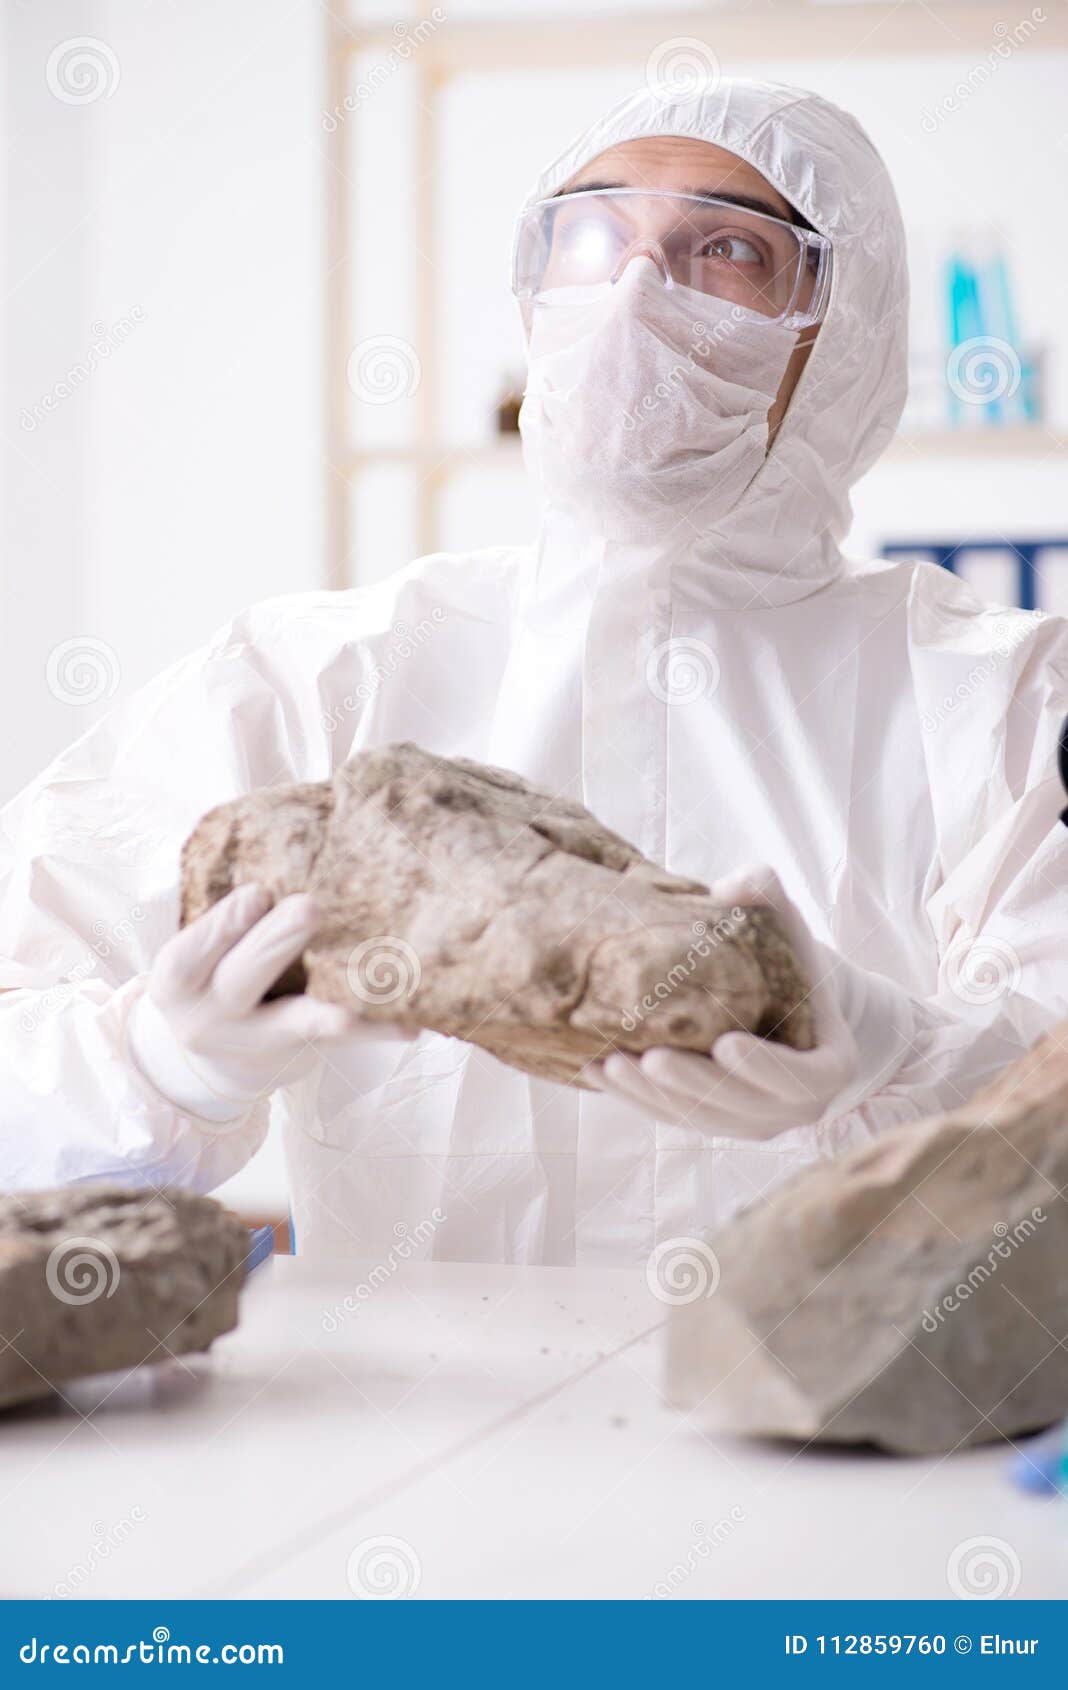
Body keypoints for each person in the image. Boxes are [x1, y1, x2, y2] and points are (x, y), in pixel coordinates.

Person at [2, 77, 1066, 1263]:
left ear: (842, 326)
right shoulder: (318, 679)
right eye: (596, 238)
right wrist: (157, 1062)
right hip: (415, 1437)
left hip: (860, 1428)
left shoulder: (1000, 697)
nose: (635, 297)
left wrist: (896, 1050)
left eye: (727, 248)